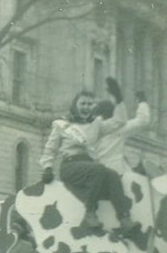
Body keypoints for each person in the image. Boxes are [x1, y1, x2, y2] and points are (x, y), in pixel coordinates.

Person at [39, 78, 135, 233]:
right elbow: (50, 149)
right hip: (70, 166)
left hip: (90, 167)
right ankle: (90, 212)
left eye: (90, 104)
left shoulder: (96, 125)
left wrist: (118, 99)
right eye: (83, 103)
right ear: (75, 105)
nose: (86, 107)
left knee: (112, 175)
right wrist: (47, 168)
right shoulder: (62, 125)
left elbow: (120, 122)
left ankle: (124, 218)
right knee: (99, 169)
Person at [93, 91, 151, 175]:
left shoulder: (91, 128)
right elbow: (143, 120)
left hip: (95, 172)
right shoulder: (118, 129)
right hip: (114, 172)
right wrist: (142, 102)